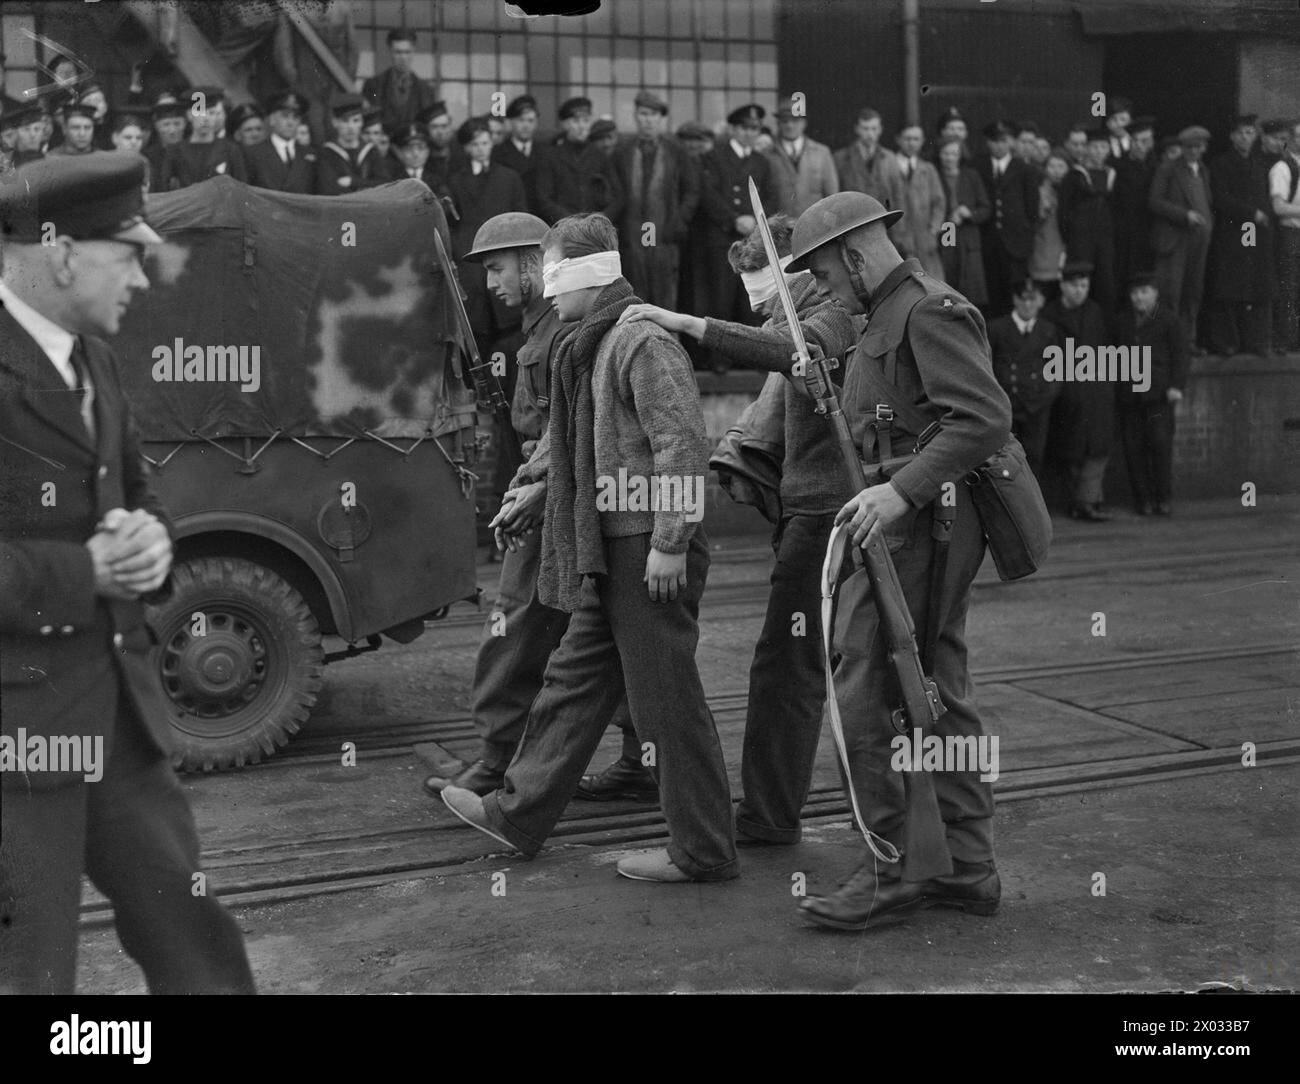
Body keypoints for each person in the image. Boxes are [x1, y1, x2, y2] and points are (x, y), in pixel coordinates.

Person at [0, 153, 256, 994]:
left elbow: (139, 493)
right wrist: (87, 571)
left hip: (119, 721)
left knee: (192, 938)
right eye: (129, 253)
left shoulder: (95, 360)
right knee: (30, 966)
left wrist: (152, 541)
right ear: (64, 254)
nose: (143, 278)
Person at [442, 212, 738, 884]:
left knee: (667, 702)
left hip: (646, 550)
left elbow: (684, 444)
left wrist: (669, 542)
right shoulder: (592, 343)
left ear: (586, 276)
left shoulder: (639, 340)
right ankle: (515, 814)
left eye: (554, 276)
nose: (546, 292)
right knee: (572, 681)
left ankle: (705, 849)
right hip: (612, 547)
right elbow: (570, 438)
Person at [784, 192, 1012, 930]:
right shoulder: (881, 315)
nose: (821, 287)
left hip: (923, 530)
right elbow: (895, 412)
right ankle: (967, 866)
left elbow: (982, 418)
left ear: (854, 255)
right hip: (913, 527)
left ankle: (893, 869)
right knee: (934, 688)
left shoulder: (926, 310)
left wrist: (901, 493)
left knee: (875, 687)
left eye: (823, 270)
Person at [618, 212, 858, 844]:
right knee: (799, 665)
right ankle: (775, 813)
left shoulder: (835, 313)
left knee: (790, 668)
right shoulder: (807, 314)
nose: (764, 321)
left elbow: (790, 350)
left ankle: (774, 818)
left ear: (802, 275)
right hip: (810, 512)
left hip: (832, 515)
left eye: (768, 303)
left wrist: (688, 323)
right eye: (754, 309)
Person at [422, 212, 650, 802]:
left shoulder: (564, 331)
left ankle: (500, 762)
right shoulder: (541, 330)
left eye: (498, 267)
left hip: (563, 502)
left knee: (517, 626)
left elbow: (589, 429)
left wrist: (539, 493)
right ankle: (638, 756)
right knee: (607, 633)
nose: (490, 282)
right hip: (555, 494)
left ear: (535, 262)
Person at [605, 89, 699, 310]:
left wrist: (678, 221)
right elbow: (613, 192)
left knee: (665, 296)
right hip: (631, 236)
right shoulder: (622, 152)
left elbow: (692, 190)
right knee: (634, 294)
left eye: (653, 115)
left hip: (664, 236)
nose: (648, 120)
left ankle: (665, 343)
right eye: (643, 114)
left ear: (661, 118)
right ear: (636, 116)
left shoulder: (676, 151)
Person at [700, 103, 776, 359]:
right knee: (720, 300)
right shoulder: (713, 158)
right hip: (723, 239)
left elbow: (770, 197)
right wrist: (733, 219)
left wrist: (756, 224)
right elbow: (708, 196)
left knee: (751, 301)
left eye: (754, 129)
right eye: (744, 128)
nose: (749, 133)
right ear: (733, 129)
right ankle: (719, 360)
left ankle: (750, 358)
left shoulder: (762, 163)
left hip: (751, 242)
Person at [446, 116, 527, 357]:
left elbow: (521, 217)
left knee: (509, 328)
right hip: (471, 263)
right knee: (477, 328)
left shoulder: (509, 178)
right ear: (465, 148)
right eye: (475, 144)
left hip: (503, 256)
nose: (481, 149)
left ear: (492, 143)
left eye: (485, 143)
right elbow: (451, 223)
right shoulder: (456, 180)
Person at [1042, 261, 1115, 520]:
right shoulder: (1050, 315)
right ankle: (1086, 501)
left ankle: (1086, 501)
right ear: (1063, 286)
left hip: (1096, 391)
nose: (1079, 291)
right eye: (1074, 285)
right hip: (1067, 391)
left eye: (1084, 286)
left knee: (1097, 447)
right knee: (1072, 450)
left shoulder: (1095, 312)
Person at [1113, 272, 1187, 516]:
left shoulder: (1169, 320)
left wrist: (1176, 386)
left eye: (1144, 292)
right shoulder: (1122, 321)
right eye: (1134, 293)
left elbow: (1180, 356)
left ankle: (1162, 497)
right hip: (1130, 396)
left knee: (1160, 445)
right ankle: (1142, 500)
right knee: (1133, 448)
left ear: (1155, 293)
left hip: (1158, 395)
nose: (1139, 298)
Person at [1208, 115, 1274, 356]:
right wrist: (1250, 213)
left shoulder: (1260, 164)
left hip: (1256, 234)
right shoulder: (1221, 164)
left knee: (1255, 284)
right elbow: (1221, 199)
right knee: (1229, 286)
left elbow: (1266, 197)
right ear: (1232, 136)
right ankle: (1226, 342)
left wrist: (1262, 217)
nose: (1246, 138)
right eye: (1241, 133)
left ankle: (1255, 342)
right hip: (1232, 232)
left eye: (1250, 133)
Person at [985, 278, 1061, 479]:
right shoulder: (997, 329)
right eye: (1023, 299)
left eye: (1032, 299)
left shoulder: (1048, 331)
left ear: (1041, 301)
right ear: (1015, 300)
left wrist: (1044, 399)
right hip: (1006, 406)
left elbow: (1056, 371)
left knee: (1034, 456)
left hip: (1037, 406)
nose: (1028, 304)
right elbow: (987, 367)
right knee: (1005, 457)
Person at [1148, 125, 1214, 355]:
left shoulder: (1203, 170)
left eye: (1198, 147)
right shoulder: (1168, 169)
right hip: (1175, 240)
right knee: (1170, 292)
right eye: (1189, 147)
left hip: (1198, 241)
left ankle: (1188, 342)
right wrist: (1184, 215)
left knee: (1192, 292)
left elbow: (1206, 201)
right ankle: (1166, 344)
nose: (1193, 151)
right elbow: (1155, 202)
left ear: (1204, 148)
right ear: (1182, 148)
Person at [973, 120, 1040, 316]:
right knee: (990, 294)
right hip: (988, 243)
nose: (999, 145)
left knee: (1014, 293)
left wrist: (1025, 238)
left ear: (1011, 142)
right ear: (988, 142)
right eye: (995, 141)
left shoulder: (1025, 169)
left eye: (1004, 140)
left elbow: (1032, 209)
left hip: (1016, 246)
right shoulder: (978, 166)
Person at [1058, 127, 1117, 312]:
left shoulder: (1112, 175)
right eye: (1094, 147)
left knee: (1105, 285)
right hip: (1080, 241)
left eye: (1103, 147)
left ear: (1108, 149)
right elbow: (1063, 213)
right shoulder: (1075, 176)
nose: (1099, 151)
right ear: (1086, 149)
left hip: (1105, 240)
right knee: (1080, 285)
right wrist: (1071, 239)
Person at [536, 96, 616, 224]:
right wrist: (569, 220)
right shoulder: (551, 156)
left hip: (594, 230)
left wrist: (604, 216)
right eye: (576, 121)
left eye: (586, 121)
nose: (582, 126)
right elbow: (543, 198)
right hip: (563, 229)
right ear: (565, 125)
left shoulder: (599, 155)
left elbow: (618, 196)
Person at [157, 86, 247, 190]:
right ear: (189, 115)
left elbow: (242, 189)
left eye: (211, 113)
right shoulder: (175, 151)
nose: (206, 118)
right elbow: (166, 189)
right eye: (199, 112)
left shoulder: (230, 150)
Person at [936, 134, 990, 306]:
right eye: (945, 153)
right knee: (948, 275)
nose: (950, 158)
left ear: (960, 155)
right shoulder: (935, 175)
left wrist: (969, 214)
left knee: (970, 287)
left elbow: (985, 209)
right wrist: (949, 219)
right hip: (947, 231)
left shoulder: (971, 176)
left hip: (968, 236)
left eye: (954, 154)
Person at [766, 97, 838, 218]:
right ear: (778, 123)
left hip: (813, 227)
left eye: (795, 120)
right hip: (778, 228)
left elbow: (832, 195)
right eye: (784, 121)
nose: (790, 125)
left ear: (804, 123)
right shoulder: (767, 154)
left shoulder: (821, 153)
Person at [1112, 115, 1157, 297]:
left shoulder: (1158, 166)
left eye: (1145, 141)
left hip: (1150, 232)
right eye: (1136, 141)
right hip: (1125, 234)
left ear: (1152, 141)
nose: (1140, 145)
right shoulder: (1117, 166)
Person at [893, 123, 945, 278]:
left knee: (931, 283)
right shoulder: (889, 166)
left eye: (916, 139)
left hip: (924, 240)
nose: (911, 143)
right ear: (898, 140)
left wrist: (933, 230)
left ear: (922, 141)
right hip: (898, 237)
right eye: (907, 138)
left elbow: (939, 203)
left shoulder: (928, 169)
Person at [361, 27, 437, 131]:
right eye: (398, 52)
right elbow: (367, 122)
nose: (403, 57)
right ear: (390, 52)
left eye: (407, 52)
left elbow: (428, 126)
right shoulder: (373, 86)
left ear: (413, 52)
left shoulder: (426, 90)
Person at [833, 107, 905, 214]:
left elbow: (897, 195)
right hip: (853, 222)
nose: (870, 134)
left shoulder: (889, 158)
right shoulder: (841, 158)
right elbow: (835, 197)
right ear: (857, 129)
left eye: (874, 129)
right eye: (865, 129)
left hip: (882, 222)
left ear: (880, 129)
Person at [244, 90, 317, 193]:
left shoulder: (310, 154)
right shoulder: (253, 154)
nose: (290, 122)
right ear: (272, 119)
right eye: (285, 116)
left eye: (295, 117)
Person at [1269, 120, 1300, 354]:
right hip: (1290, 233)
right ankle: (1286, 340)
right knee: (1288, 288)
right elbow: (1279, 208)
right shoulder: (1282, 168)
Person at [492, 94, 546, 215]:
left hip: (542, 216)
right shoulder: (498, 153)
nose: (526, 125)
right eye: (521, 120)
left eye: (530, 120)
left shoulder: (546, 152)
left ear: (536, 122)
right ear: (511, 122)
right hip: (511, 215)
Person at [316, 93, 379, 195]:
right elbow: (327, 188)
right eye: (345, 121)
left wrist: (352, 182)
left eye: (356, 120)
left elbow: (384, 183)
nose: (351, 126)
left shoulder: (371, 151)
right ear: (335, 122)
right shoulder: (327, 153)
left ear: (361, 123)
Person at [1029, 148, 1069, 297]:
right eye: (1052, 166)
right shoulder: (1039, 192)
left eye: (1061, 166)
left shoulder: (1074, 191)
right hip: (1044, 252)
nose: (1056, 171)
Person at [1105, 96, 1133, 162]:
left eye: (1123, 119)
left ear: (1130, 121)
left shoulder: (1135, 141)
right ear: (1107, 122)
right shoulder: (1103, 144)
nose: (1119, 124)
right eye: (1114, 119)